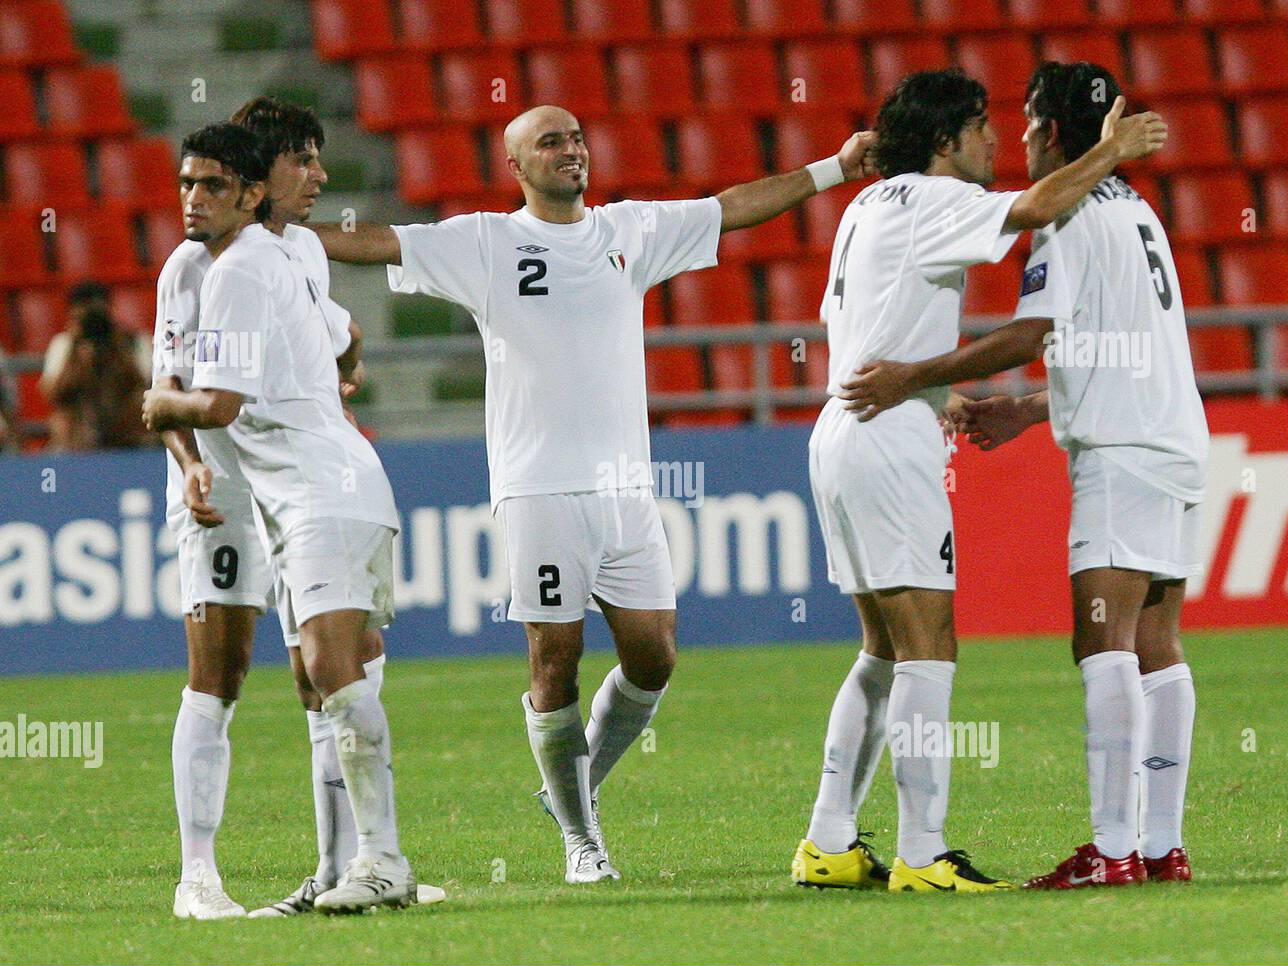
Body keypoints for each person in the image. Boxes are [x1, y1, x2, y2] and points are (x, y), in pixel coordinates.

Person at [309, 104, 876, 883]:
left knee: (654, 656)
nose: (570, 151)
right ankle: (582, 839)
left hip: (625, 488)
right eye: (550, 142)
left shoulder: (629, 231)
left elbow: (732, 207)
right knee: (555, 667)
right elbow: (374, 243)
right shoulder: (485, 241)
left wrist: (835, 170)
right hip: (537, 488)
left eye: (576, 138)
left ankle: (568, 787)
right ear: (515, 165)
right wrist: (277, 235)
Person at [791, 69, 1167, 894]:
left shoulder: (866, 206)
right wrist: (1111, 150)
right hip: (888, 440)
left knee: (883, 650)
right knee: (931, 650)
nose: (997, 141)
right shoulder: (930, 198)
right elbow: (1037, 208)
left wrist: (932, 389)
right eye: (981, 128)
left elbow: (857, 323)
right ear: (944, 141)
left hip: (844, 428)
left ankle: (828, 840)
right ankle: (923, 855)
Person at [142, 122, 415, 914]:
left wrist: (339, 368)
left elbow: (336, 339)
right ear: (268, 176)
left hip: (302, 488)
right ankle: (202, 874)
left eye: (210, 184)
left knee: (326, 672)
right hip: (229, 491)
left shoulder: (285, 253)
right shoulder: (194, 267)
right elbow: (180, 380)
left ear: (244, 189)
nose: (319, 177)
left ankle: (355, 864)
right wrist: (190, 462)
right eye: (305, 160)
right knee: (234, 675)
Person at [40, 282, 152, 451]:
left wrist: (117, 347)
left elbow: (143, 386)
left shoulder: (135, 342)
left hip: (126, 431)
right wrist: (75, 352)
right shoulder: (64, 344)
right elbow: (52, 394)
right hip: (78, 435)